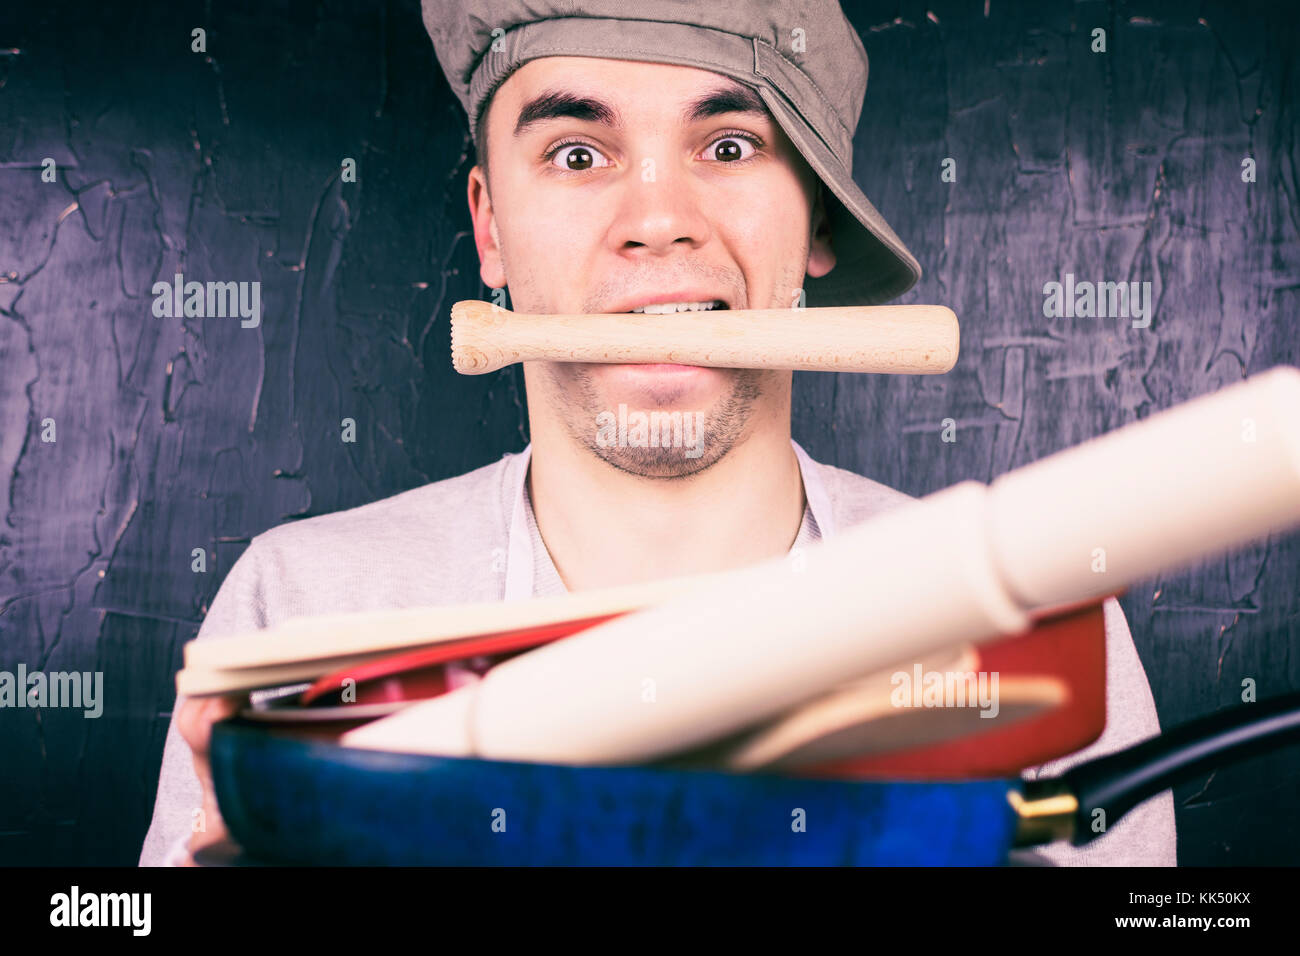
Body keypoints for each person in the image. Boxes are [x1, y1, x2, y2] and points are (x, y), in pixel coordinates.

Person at [140, 0, 1176, 866]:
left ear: (815, 216)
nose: (656, 219)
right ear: (489, 224)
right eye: (578, 151)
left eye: (727, 145)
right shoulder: (296, 620)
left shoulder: (1033, 634)